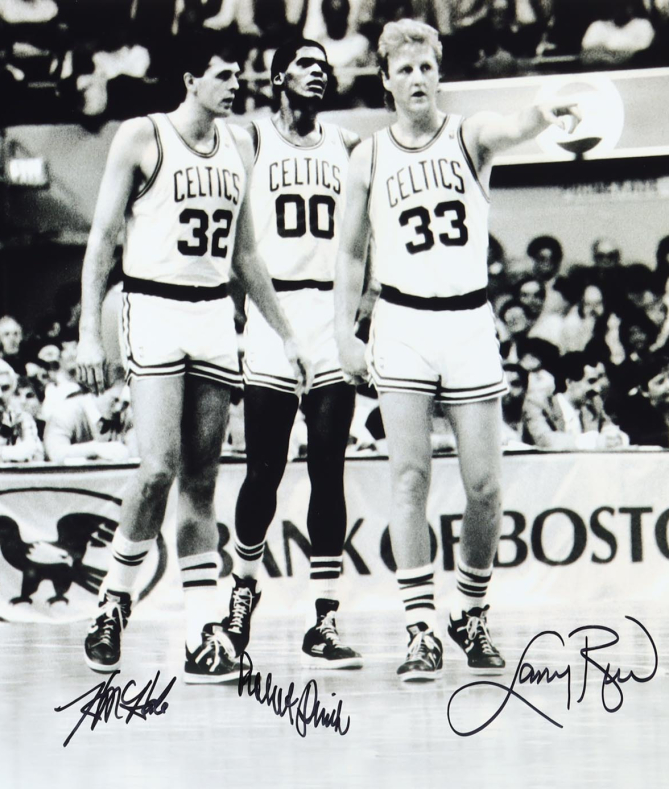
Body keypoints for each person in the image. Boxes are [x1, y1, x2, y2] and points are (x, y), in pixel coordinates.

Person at [334, 19, 580, 682]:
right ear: (385, 79)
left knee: (485, 485)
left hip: (469, 324)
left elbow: (511, 127)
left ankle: (469, 612)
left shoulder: (468, 136)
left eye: (426, 67)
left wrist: (539, 113)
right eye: (404, 69)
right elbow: (351, 250)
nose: (417, 79)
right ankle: (419, 626)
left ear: (439, 74)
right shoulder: (369, 157)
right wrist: (342, 329)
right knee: (409, 478)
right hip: (404, 324)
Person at [75, 42, 311, 682]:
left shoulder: (239, 146)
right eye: (224, 74)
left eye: (241, 74)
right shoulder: (142, 137)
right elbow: (102, 239)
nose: (237, 84)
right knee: (156, 469)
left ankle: (201, 634)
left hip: (212, 316)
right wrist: (88, 335)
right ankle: (114, 601)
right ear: (190, 80)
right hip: (151, 307)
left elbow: (248, 256)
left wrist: (284, 331)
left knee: (202, 481)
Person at [220, 39, 363, 669]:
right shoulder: (252, 140)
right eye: (307, 64)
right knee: (265, 472)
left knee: (329, 468)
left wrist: (360, 315)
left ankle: (325, 618)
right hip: (273, 317)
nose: (320, 73)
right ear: (279, 77)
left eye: (325, 67)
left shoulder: (347, 146)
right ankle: (242, 594)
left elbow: (368, 235)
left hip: (329, 314)